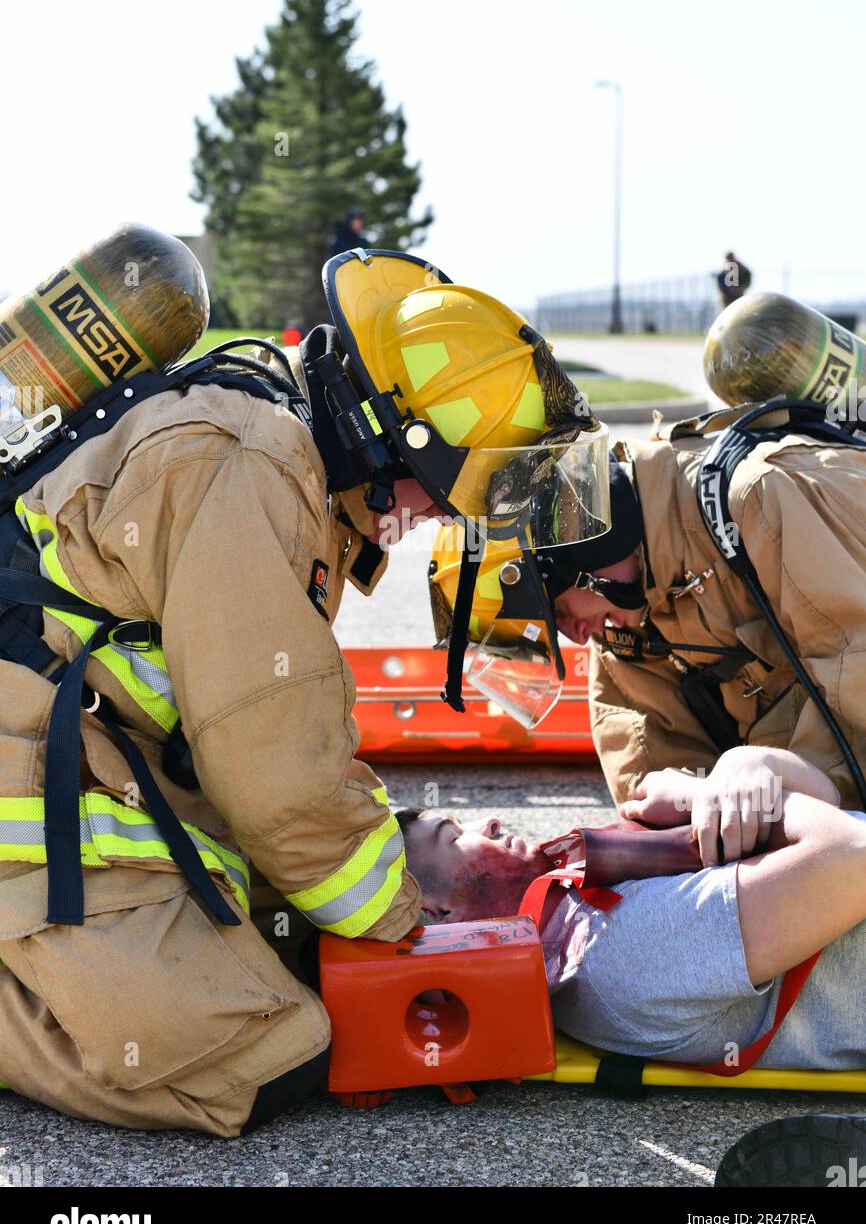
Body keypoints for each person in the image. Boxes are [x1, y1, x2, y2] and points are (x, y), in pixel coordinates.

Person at [0, 247, 600, 1136]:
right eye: (440, 496)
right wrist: (396, 917)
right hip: (33, 802)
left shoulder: (276, 458)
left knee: (288, 945)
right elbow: (271, 761)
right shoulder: (252, 461)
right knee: (261, 1056)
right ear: (392, 445)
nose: (431, 519)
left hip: (92, 780)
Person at [430, 398, 866, 852]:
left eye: (559, 613)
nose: (577, 636)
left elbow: (856, 671)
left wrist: (780, 799)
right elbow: (646, 776)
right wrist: (704, 817)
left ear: (580, 552)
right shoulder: (621, 614)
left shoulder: (760, 498)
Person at [397, 747, 866, 1074]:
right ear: (443, 916)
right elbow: (854, 853)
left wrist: (748, 767)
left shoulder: (585, 899)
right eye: (455, 837)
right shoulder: (612, 954)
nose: (491, 819)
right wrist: (703, 795)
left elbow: (824, 797)